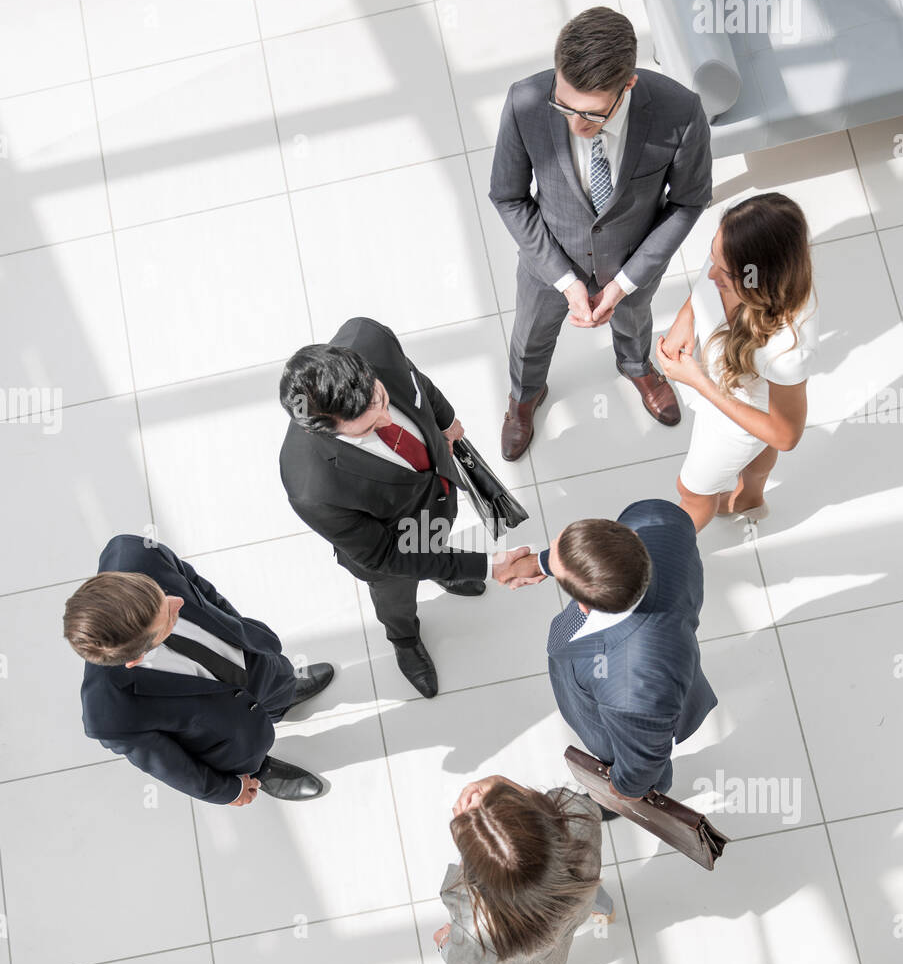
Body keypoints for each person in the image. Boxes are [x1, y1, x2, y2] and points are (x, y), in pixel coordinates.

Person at [489, 5, 712, 461]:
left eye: (589, 114)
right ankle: (524, 397)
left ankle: (636, 367)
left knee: (635, 321)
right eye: (564, 105)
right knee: (530, 335)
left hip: (633, 262)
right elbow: (508, 196)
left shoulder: (681, 112)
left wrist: (626, 281)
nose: (574, 123)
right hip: (548, 260)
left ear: (627, 84)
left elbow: (689, 201)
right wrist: (565, 280)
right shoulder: (525, 102)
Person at [278, 315, 529, 699]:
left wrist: (444, 422)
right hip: (392, 551)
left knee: (438, 540)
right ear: (322, 429)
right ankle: (405, 640)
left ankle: (443, 570)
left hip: (434, 498)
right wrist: (487, 565)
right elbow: (386, 555)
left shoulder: (369, 338)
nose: (386, 417)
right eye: (367, 428)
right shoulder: (312, 487)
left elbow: (416, 381)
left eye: (379, 399)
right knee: (396, 600)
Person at [65, 535, 334, 805]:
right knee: (249, 749)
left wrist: (234, 623)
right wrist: (229, 791)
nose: (177, 604)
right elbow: (174, 767)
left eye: (163, 596)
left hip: (245, 657)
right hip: (232, 736)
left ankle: (282, 701)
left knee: (279, 680)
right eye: (169, 618)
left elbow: (199, 589)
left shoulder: (135, 553)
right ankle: (262, 770)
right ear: (135, 658)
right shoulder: (109, 716)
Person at [501, 506, 717, 803]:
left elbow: (643, 761)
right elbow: (607, 550)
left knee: (623, 757)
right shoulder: (656, 519)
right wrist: (542, 563)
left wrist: (624, 790)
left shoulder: (633, 689)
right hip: (638, 643)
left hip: (610, 709)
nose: (551, 552)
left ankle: (652, 792)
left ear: (584, 603)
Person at [656, 192, 817, 531]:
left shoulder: (787, 347)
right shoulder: (736, 247)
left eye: (725, 272)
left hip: (738, 412)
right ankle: (750, 499)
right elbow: (709, 275)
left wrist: (699, 381)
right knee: (756, 452)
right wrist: (688, 315)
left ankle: (664, 561)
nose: (712, 274)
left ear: (758, 280)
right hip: (721, 381)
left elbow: (785, 436)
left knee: (692, 491)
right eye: (712, 256)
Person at [433, 774, 614, 964]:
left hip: (537, 963)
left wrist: (444, 941)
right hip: (578, 890)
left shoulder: (476, 933)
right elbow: (549, 808)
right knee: (593, 897)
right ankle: (605, 911)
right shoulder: (577, 818)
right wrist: (501, 783)